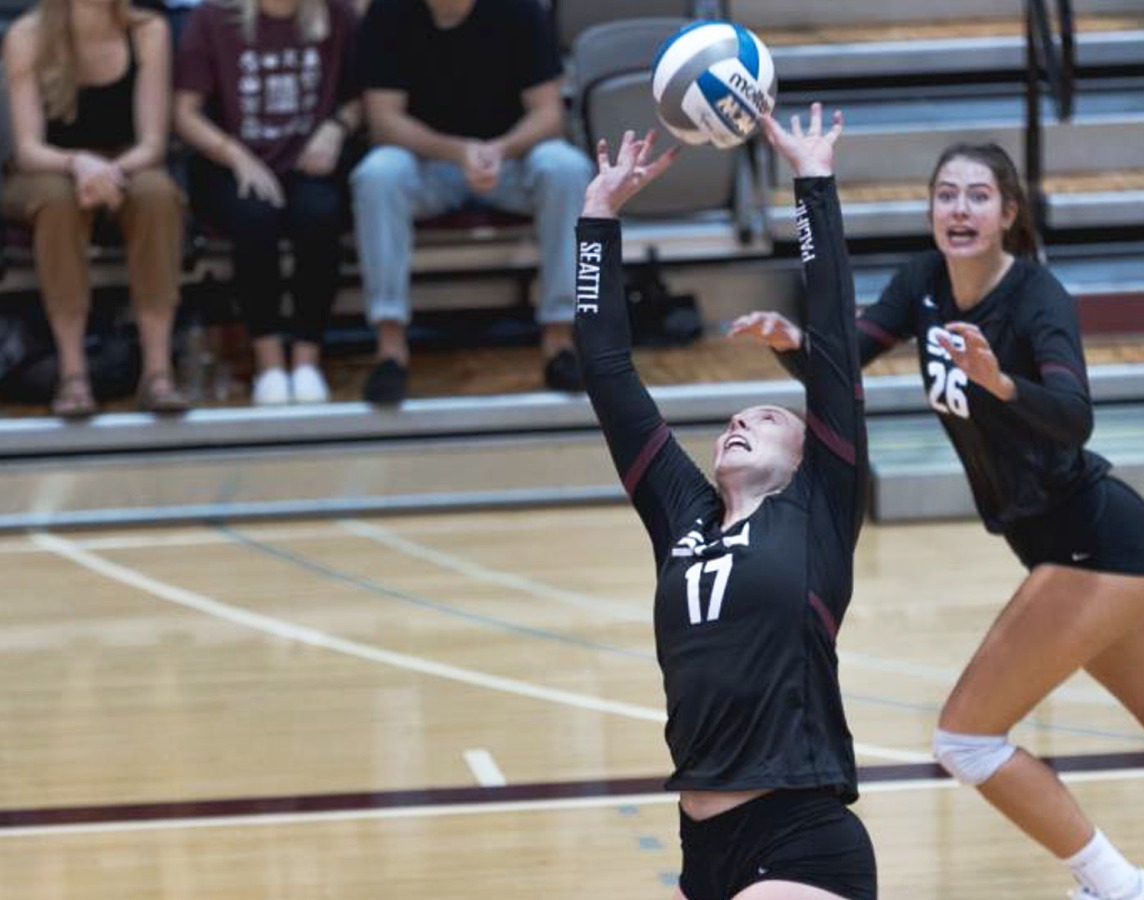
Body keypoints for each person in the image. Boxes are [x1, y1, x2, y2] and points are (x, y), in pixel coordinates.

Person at [732, 143, 1144, 900]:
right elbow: (843, 363)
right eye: (946, 195)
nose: (959, 210)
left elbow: (1075, 418)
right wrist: (795, 347)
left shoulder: (1038, 298)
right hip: (1074, 547)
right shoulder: (922, 283)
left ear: (1009, 213)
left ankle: (1120, 889)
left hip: (1095, 541)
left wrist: (1000, 382)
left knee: (965, 739)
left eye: (978, 196)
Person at [576, 110, 875, 900]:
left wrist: (812, 185)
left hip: (802, 838)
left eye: (770, 418)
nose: (741, 420)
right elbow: (608, 372)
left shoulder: (817, 513)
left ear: (809, 455)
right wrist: (597, 220)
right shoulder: (683, 516)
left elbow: (839, 357)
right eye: (736, 418)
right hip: (703, 848)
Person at [351, 0, 590, 405]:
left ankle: (559, 340)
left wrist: (498, 149)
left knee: (567, 168)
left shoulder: (520, 10)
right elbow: (384, 121)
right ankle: (390, 347)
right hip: (428, 165)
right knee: (377, 174)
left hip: (508, 161)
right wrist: (458, 152)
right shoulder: (388, 11)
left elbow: (549, 115)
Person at [1, 0, 188, 417]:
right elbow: (29, 149)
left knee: (157, 194)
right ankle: (73, 373)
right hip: (46, 169)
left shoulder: (149, 31)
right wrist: (78, 165)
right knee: (57, 200)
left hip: (125, 163)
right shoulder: (26, 36)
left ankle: (157, 372)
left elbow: (153, 144)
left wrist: (110, 173)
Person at [173, 0, 362, 405]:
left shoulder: (338, 14)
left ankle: (307, 360)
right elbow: (184, 113)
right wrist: (237, 156)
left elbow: (362, 93)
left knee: (319, 213)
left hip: (309, 160)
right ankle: (270, 362)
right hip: (229, 161)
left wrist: (337, 127)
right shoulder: (212, 17)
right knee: (254, 217)